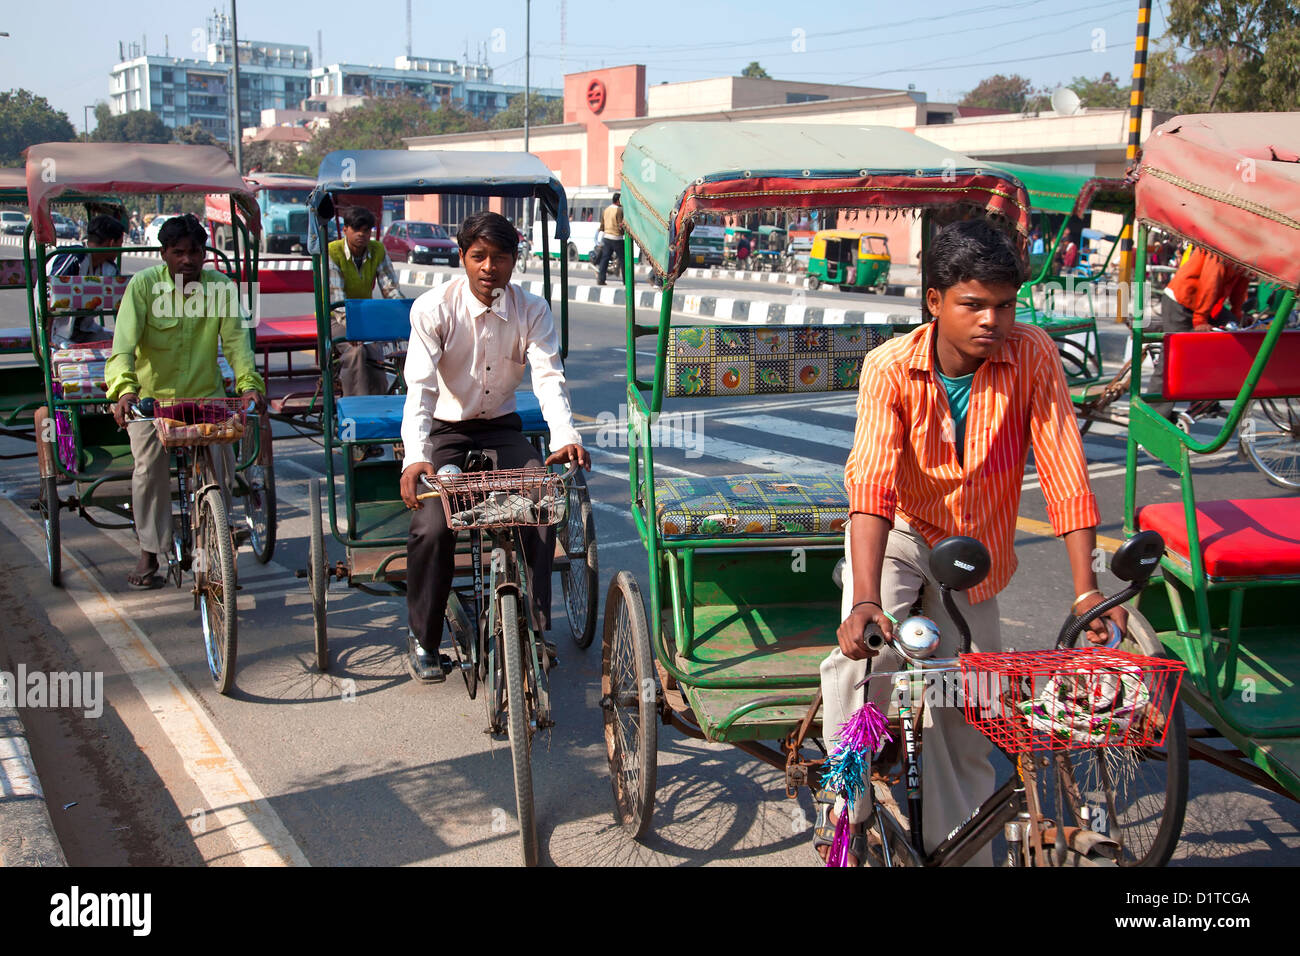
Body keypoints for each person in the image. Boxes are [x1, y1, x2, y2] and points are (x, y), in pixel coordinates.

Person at [814, 218, 1124, 866]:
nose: (992, 320)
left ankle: (961, 851)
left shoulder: (1033, 355)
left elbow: (1066, 471)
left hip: (976, 560)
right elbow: (869, 486)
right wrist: (865, 601)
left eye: (1004, 305)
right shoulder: (891, 368)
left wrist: (1086, 591)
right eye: (973, 304)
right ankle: (846, 801)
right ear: (934, 302)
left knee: (970, 707)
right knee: (863, 661)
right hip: (900, 533)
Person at [398, 211, 590, 683]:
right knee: (432, 525)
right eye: (478, 256)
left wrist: (565, 437)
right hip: (446, 434)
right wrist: (415, 456)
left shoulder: (533, 310)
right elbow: (419, 388)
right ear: (462, 258)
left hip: (502, 429)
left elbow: (548, 377)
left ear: (513, 261)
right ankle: (424, 638)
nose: (489, 268)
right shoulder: (433, 309)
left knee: (542, 500)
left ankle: (536, 627)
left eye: (499, 257)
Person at [105, 214, 266, 589]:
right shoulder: (143, 287)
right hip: (151, 402)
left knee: (223, 463)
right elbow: (122, 347)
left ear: (205, 254)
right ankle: (149, 549)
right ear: (164, 254)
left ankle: (218, 541)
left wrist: (247, 385)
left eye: (195, 252)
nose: (187, 260)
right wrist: (124, 390)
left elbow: (238, 345)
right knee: (148, 469)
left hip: (204, 397)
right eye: (179, 253)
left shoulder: (221, 288)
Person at [1148, 246, 1250, 420]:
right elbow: (1210, 281)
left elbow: (1240, 285)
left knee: (1229, 341)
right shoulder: (1221, 246)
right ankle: (1154, 415)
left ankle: (1204, 400)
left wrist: (1238, 314)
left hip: (1207, 305)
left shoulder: (1247, 254)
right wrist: (1200, 319)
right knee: (1174, 359)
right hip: (1182, 301)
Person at [327, 205, 405, 397]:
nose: (361, 235)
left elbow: (391, 289)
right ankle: (357, 408)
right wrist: (356, 328)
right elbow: (337, 299)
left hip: (366, 318)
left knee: (378, 355)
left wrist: (404, 315)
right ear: (345, 230)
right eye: (356, 229)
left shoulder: (377, 250)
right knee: (356, 352)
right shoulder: (332, 252)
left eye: (366, 230)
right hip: (336, 318)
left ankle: (382, 408)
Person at [46, 214, 127, 346]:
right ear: (112, 243)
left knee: (119, 347)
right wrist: (46, 342)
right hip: (56, 331)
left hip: (85, 330)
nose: (121, 250)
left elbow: (121, 305)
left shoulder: (109, 269)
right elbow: (48, 299)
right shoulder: (73, 259)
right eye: (120, 244)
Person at [595, 192, 623, 286]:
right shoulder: (619, 210)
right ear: (618, 200)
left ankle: (601, 279)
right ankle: (626, 281)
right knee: (623, 260)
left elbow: (602, 225)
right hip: (617, 238)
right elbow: (620, 225)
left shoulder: (606, 210)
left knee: (604, 259)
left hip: (607, 238)